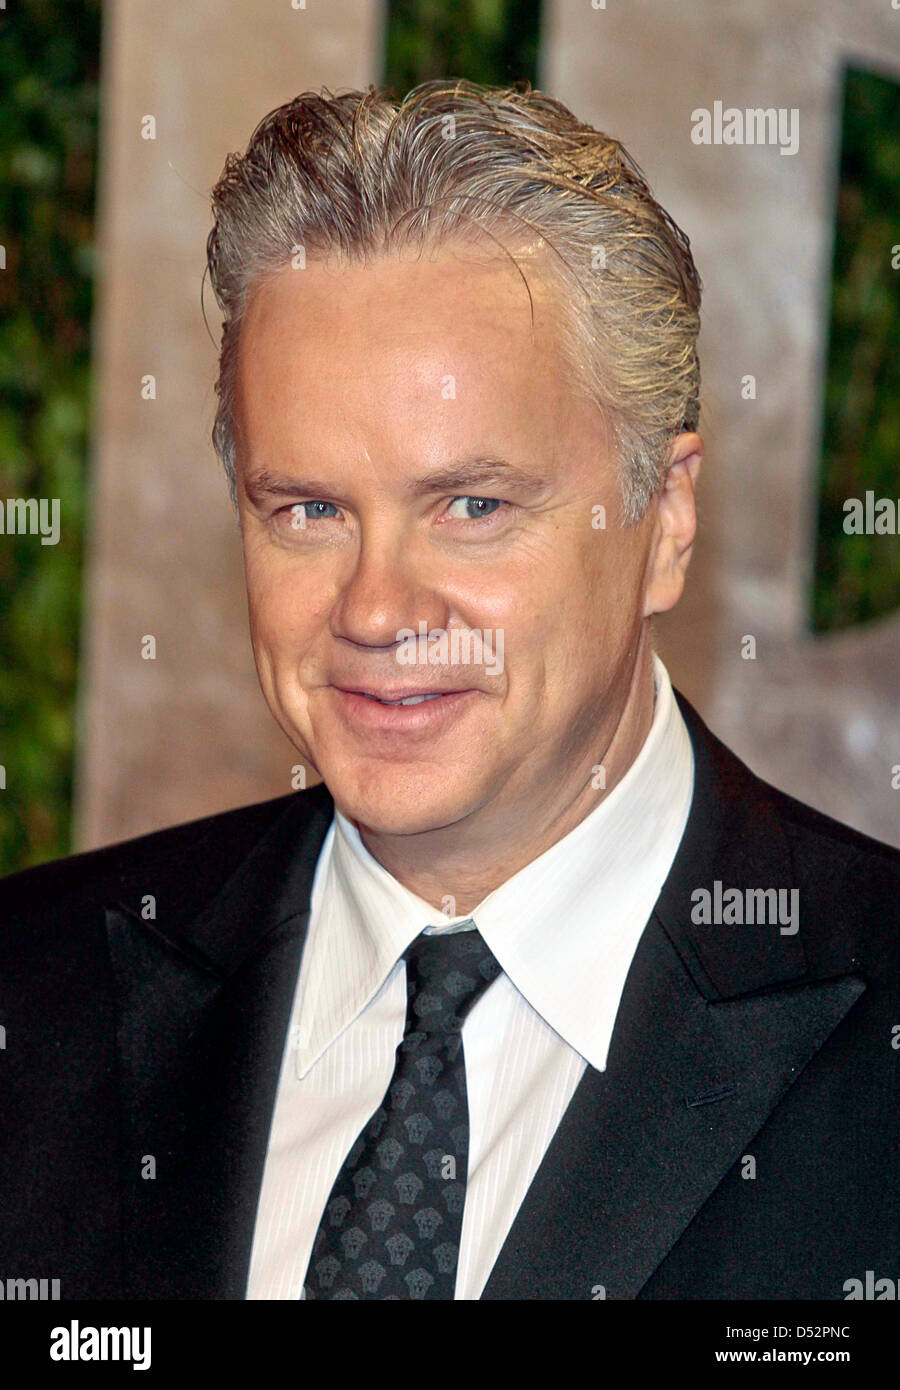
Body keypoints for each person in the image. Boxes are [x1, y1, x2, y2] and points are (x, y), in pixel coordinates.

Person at [1, 80, 897, 1301]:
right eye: (308, 510)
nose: (376, 610)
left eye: (473, 505)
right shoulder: (31, 997)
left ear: (667, 521)